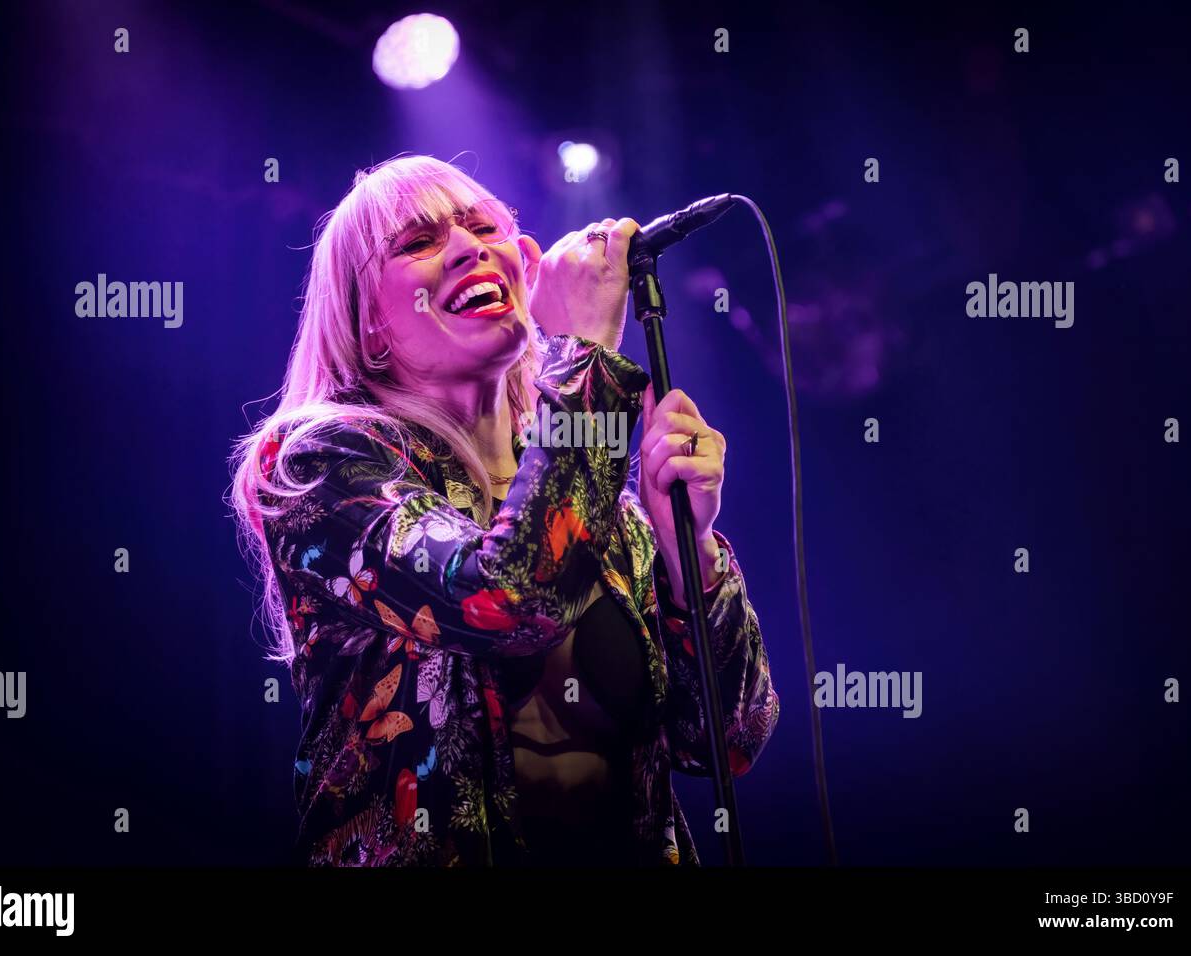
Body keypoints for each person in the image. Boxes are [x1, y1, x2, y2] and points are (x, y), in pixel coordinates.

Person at [228, 154, 780, 866]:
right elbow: (503, 599)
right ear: (368, 327)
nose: (465, 246)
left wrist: (690, 552)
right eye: (418, 242)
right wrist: (585, 353)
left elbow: (727, 740)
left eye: (482, 226)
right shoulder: (316, 462)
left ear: (524, 267)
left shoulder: (591, 501)